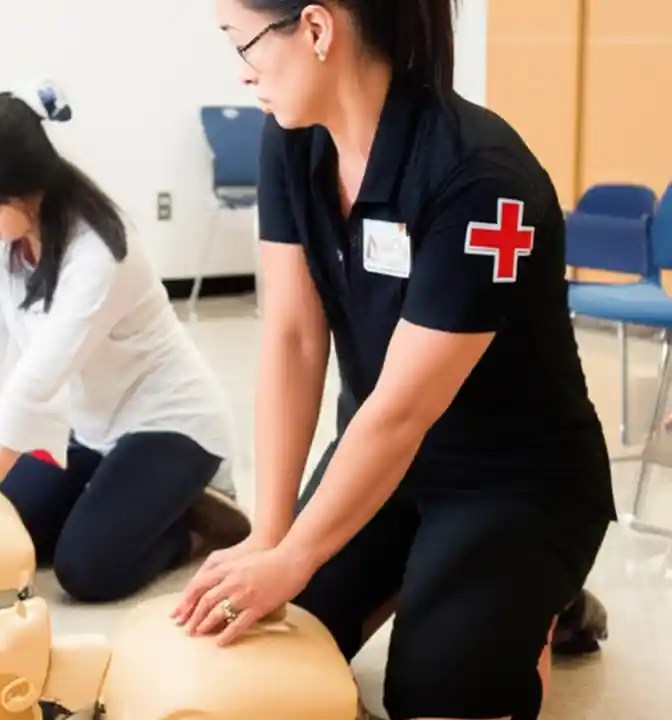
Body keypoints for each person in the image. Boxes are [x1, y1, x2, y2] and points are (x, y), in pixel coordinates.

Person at [171, 2, 617, 720]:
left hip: (514, 480)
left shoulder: (479, 178)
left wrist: (296, 558)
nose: (240, 69)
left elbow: (404, 409)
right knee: (256, 641)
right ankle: (452, 580)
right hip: (384, 460)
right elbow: (292, 338)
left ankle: (540, 598)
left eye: (243, 41)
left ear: (316, 29)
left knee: (433, 697)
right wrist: (272, 534)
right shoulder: (291, 139)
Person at [0, 83, 250, 604]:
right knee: (21, 537)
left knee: (87, 570)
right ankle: (127, 497)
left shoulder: (101, 249)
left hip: (169, 424)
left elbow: (36, 380)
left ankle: (191, 527)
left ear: (28, 187)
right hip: (87, 427)